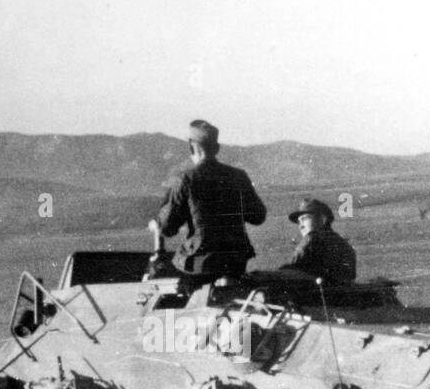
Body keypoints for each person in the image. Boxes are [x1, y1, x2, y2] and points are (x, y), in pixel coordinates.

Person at [149, 119, 267, 290]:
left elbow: (167, 227)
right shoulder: (239, 176)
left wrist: (156, 224)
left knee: (161, 274)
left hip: (200, 265)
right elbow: (258, 217)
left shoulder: (186, 179)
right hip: (235, 263)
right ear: (216, 148)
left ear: (191, 148)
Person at [280, 198, 358, 285]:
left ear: (323, 220)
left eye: (305, 219)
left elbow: (293, 272)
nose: (300, 226)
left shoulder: (311, 239)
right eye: (299, 221)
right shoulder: (345, 245)